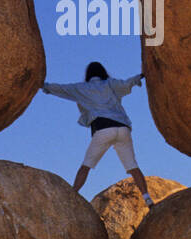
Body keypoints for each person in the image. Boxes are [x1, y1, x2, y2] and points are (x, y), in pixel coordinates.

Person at [40, 61, 155, 205]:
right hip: (123, 128)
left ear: (88, 74)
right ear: (103, 72)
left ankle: (72, 195)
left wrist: (43, 85)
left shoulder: (82, 88)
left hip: (103, 128)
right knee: (133, 166)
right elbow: (127, 84)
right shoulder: (110, 83)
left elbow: (62, 89)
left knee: (86, 166)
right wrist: (141, 76)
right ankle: (147, 199)